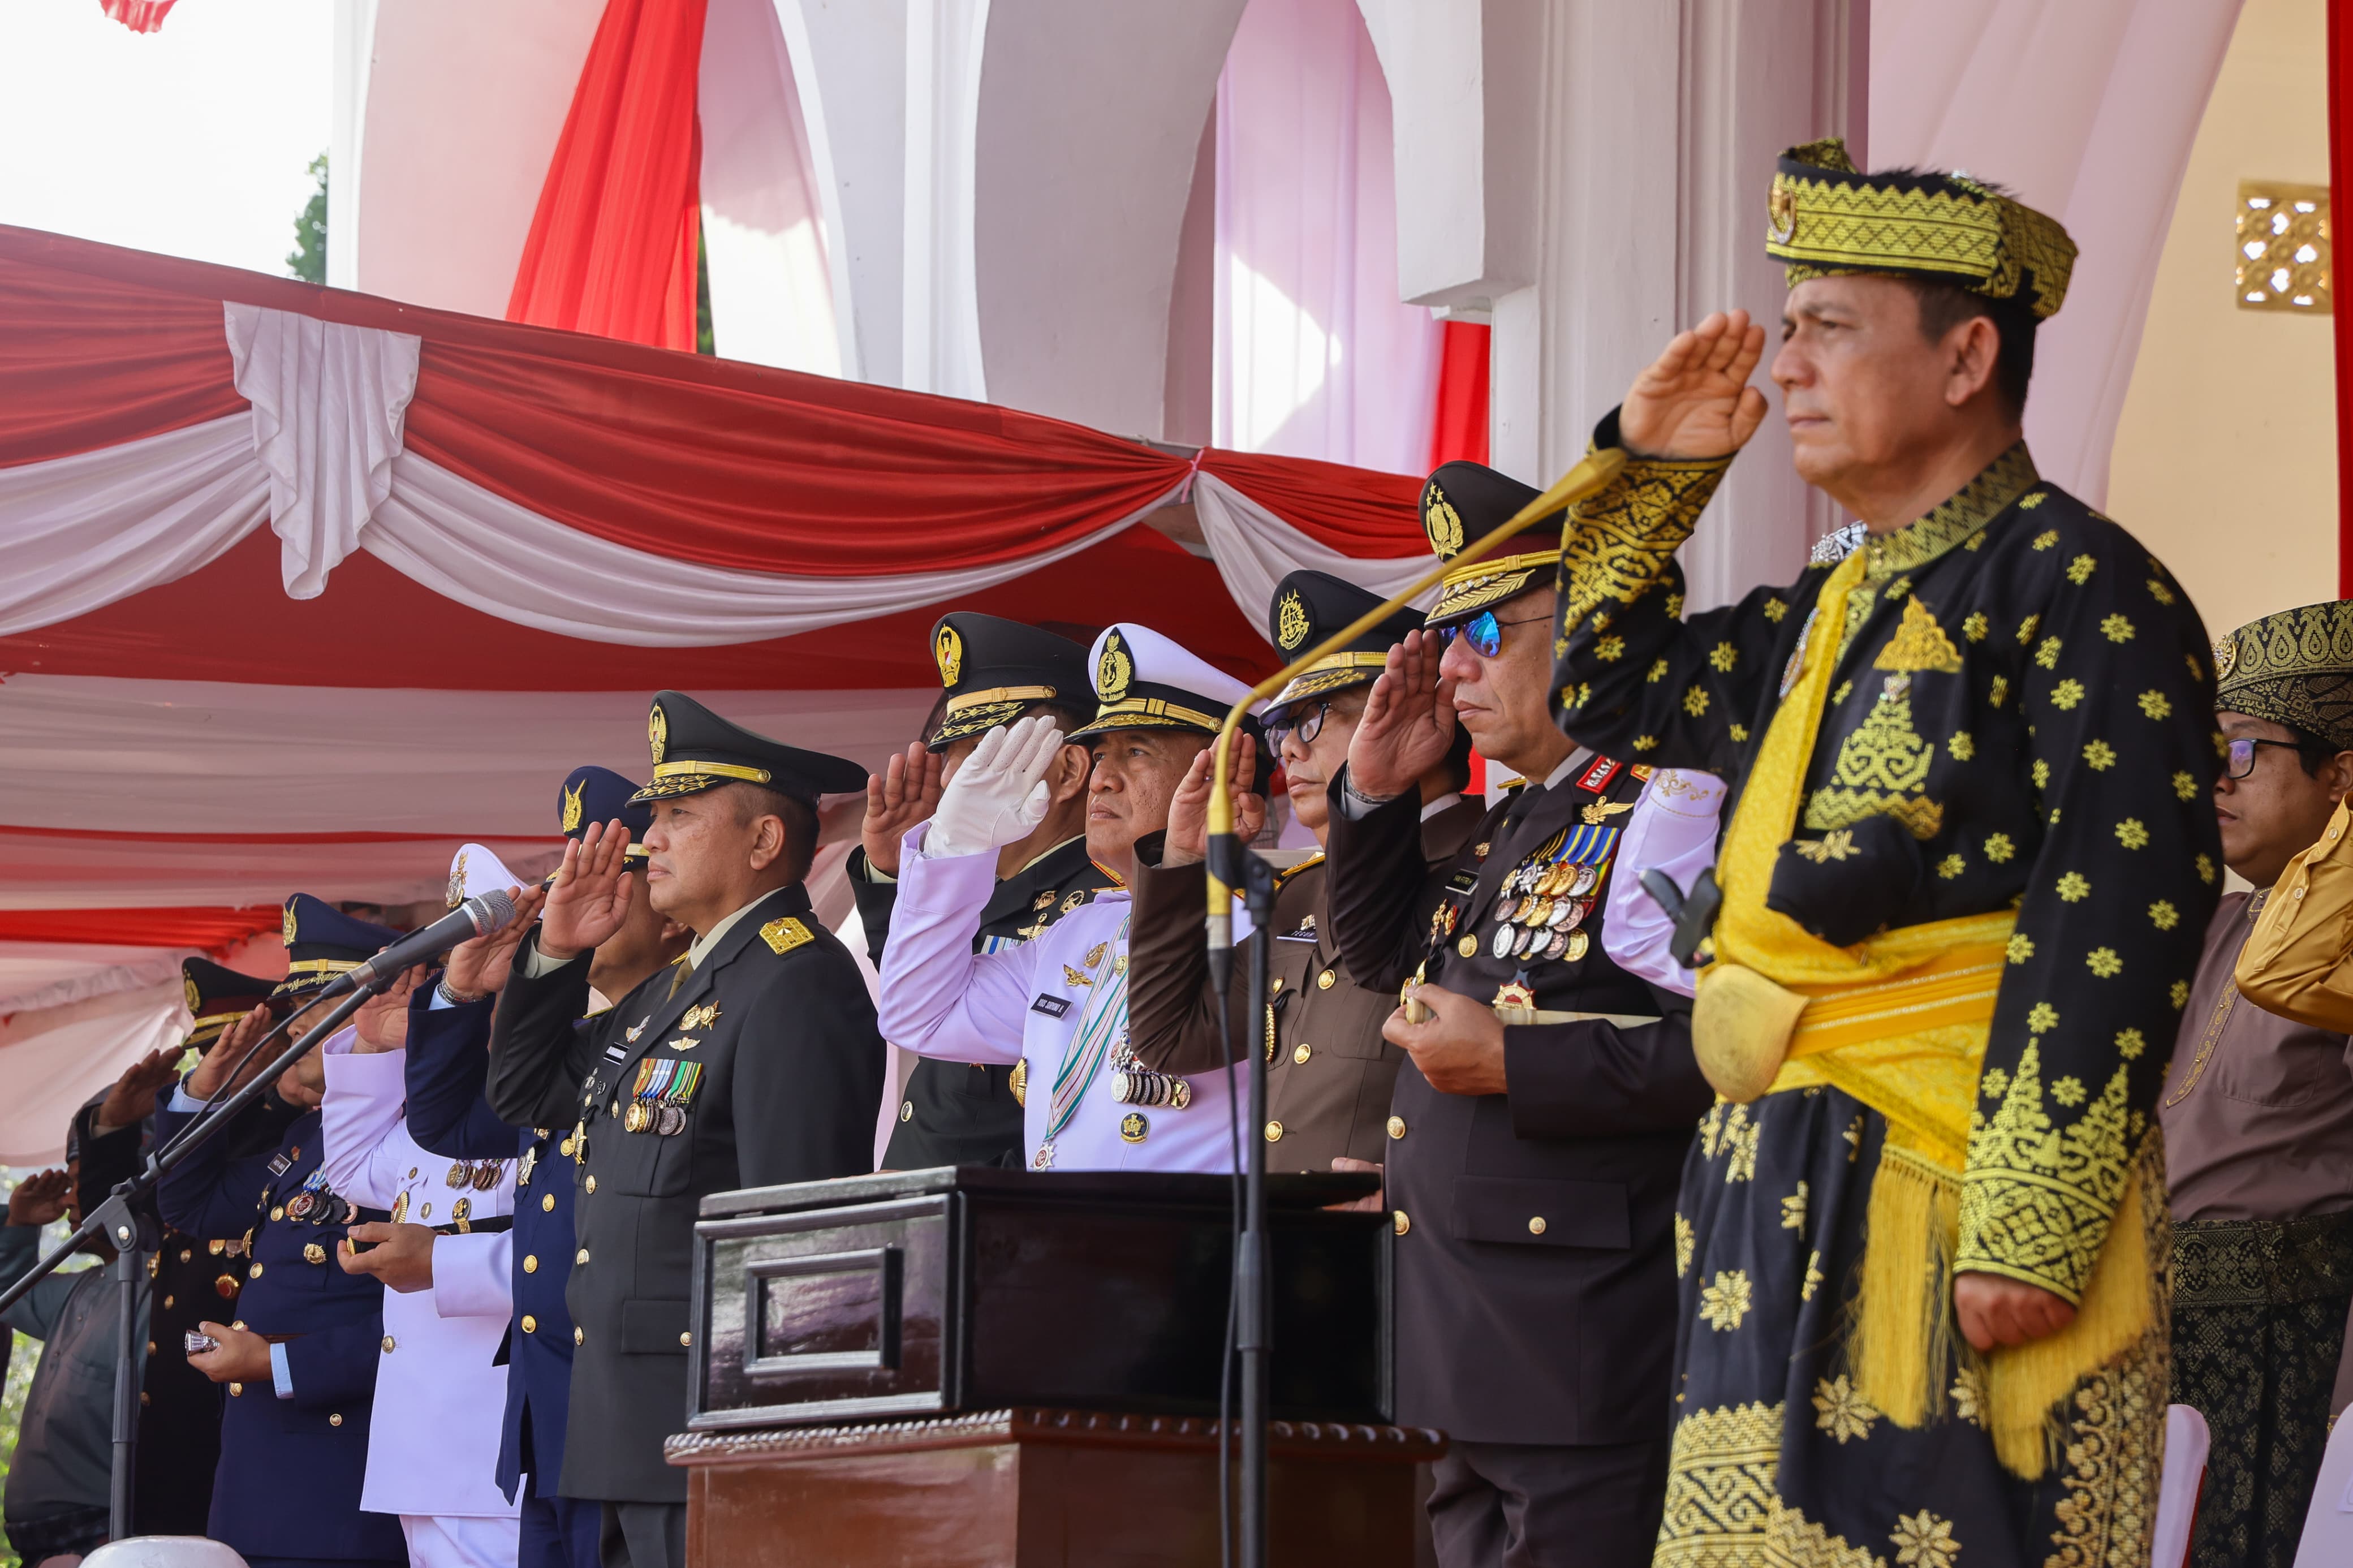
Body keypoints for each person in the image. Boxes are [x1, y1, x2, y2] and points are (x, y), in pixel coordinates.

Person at [1545, 140, 2220, 1566]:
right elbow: (1609, 691)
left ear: (1968, 354)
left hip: (1953, 1186)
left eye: (1829, 326)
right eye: (1785, 330)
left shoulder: (2084, 585)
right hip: (1767, 1176)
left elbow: (2123, 901)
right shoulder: (1822, 609)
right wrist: (1656, 472)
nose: (1785, 365)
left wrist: (2030, 1227)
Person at [1318, 462, 1713, 1568]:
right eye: (1450, 635)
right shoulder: (1526, 821)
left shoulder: (1675, 804)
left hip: (1583, 1347)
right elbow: (1375, 965)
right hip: (1464, 1340)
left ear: (1595, 630)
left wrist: (1517, 1065)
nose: (1452, 668)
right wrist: (1377, 797)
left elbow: (1741, 1051)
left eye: (1487, 627)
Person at [486, 693, 884, 1568]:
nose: (648, 839)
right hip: (625, 1433)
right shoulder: (677, 991)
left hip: (711, 1436)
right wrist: (553, 954)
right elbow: (525, 1092)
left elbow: (797, 1239)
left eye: (677, 816)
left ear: (763, 843)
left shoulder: (794, 982)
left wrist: (767, 1446)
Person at [1124, 570, 1483, 1177]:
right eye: (1284, 726)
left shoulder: (1486, 864)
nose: (1288, 748)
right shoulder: (1304, 892)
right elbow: (1169, 1038)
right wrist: (1184, 860)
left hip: (1410, 1247)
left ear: (1412, 713)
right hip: (1295, 1246)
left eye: (1318, 717)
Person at [407, 777, 682, 1568]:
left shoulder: (686, 1036)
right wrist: (462, 990)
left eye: (607, 881)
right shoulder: (570, 1044)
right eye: (572, 879)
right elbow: (448, 1125)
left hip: (629, 1420)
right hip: (550, 1418)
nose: (578, 901)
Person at [876, 624, 1263, 1171]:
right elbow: (919, 1017)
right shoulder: (1080, 933)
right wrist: (954, 846)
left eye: (1136, 751)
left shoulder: (1267, 927)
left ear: (1225, 777)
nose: (1103, 778)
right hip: (1062, 1243)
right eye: (1101, 753)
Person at [2160, 602, 2353, 1568]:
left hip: (2294, 1355)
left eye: (2243, 755)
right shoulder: (2220, 922)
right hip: (2169, 1343)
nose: (2215, 783)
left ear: (2340, 775)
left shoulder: (2345, 945)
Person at [157, 894, 410, 1568]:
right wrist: (202, 1091)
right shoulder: (311, 1136)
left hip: (342, 1484)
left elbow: (424, 1323)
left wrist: (274, 1363)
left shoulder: (422, 1136)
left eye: (314, 1011)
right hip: (261, 1482)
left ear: (377, 1014)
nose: (295, 1032)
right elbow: (191, 1203)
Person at [316, 846, 524, 1568]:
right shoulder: (440, 1111)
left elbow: (570, 1250)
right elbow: (350, 1169)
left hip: (490, 1441)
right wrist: (371, 1047)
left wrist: (442, 1262)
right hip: (422, 1449)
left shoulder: (536, 1102)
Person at [854, 613, 1113, 1168]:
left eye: (978, 753)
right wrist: (902, 873)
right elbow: (915, 990)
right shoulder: (991, 881)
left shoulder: (1101, 906)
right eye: (949, 756)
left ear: (1068, 771)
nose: (950, 780)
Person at [80, 960, 288, 1539]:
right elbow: (111, 1230)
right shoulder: (199, 1139)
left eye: (240, 1052)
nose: (216, 1071)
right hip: (175, 1411)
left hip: (246, 1407)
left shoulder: (286, 1139)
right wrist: (113, 1128)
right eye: (209, 1055)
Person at [0, 1082, 177, 1566]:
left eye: (87, 1180)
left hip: (106, 1536)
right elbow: (8, 1296)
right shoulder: (85, 1287)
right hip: (39, 1539)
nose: (75, 1198)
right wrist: (19, 1227)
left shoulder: (167, 1290)